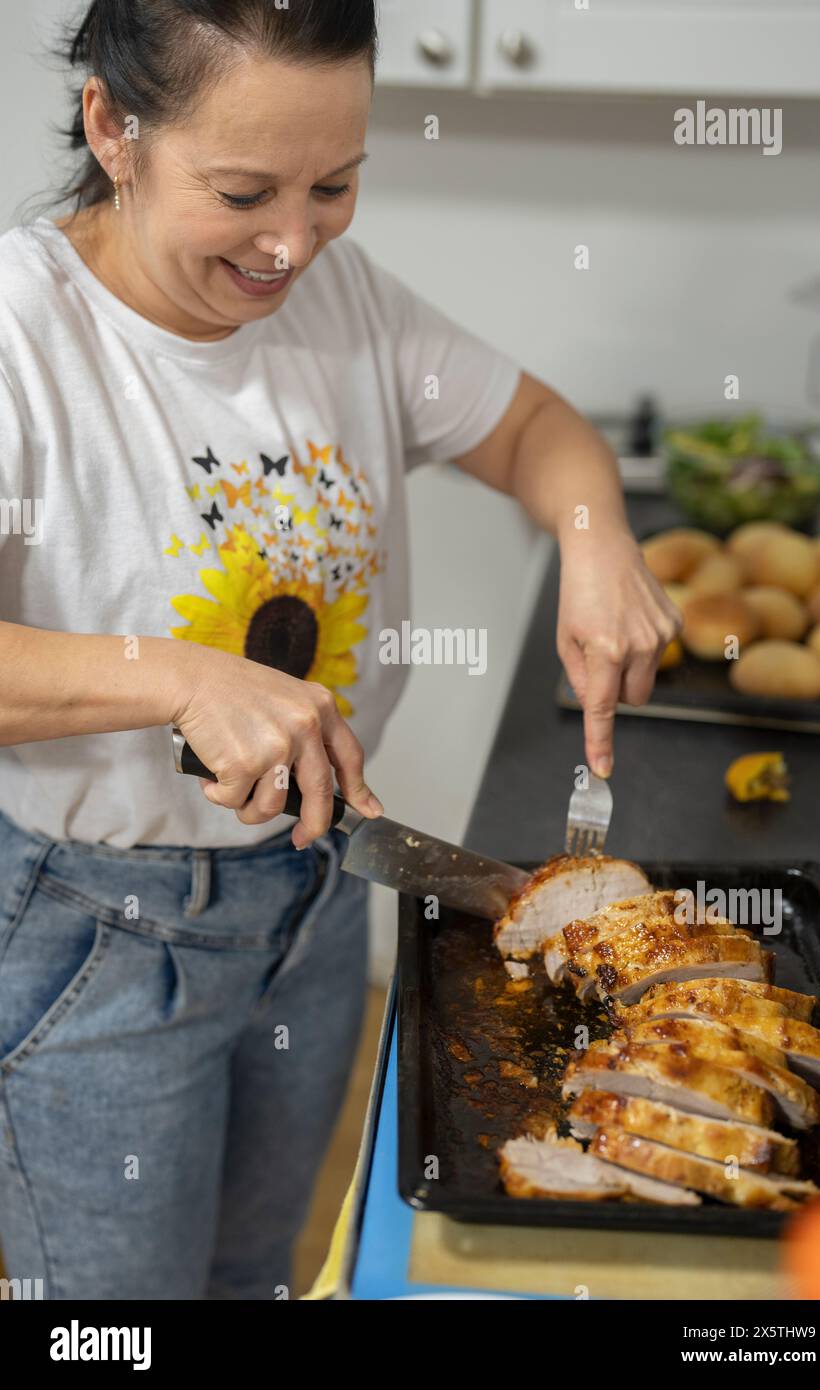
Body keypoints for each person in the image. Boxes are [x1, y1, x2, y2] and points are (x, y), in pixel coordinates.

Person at [0, 0, 679, 1300]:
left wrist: (595, 539)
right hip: (98, 937)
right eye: (244, 190)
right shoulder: (27, 338)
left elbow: (536, 426)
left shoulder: (344, 304)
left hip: (313, 893)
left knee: (262, 1269)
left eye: (336, 183)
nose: (292, 242)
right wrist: (182, 673)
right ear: (114, 126)